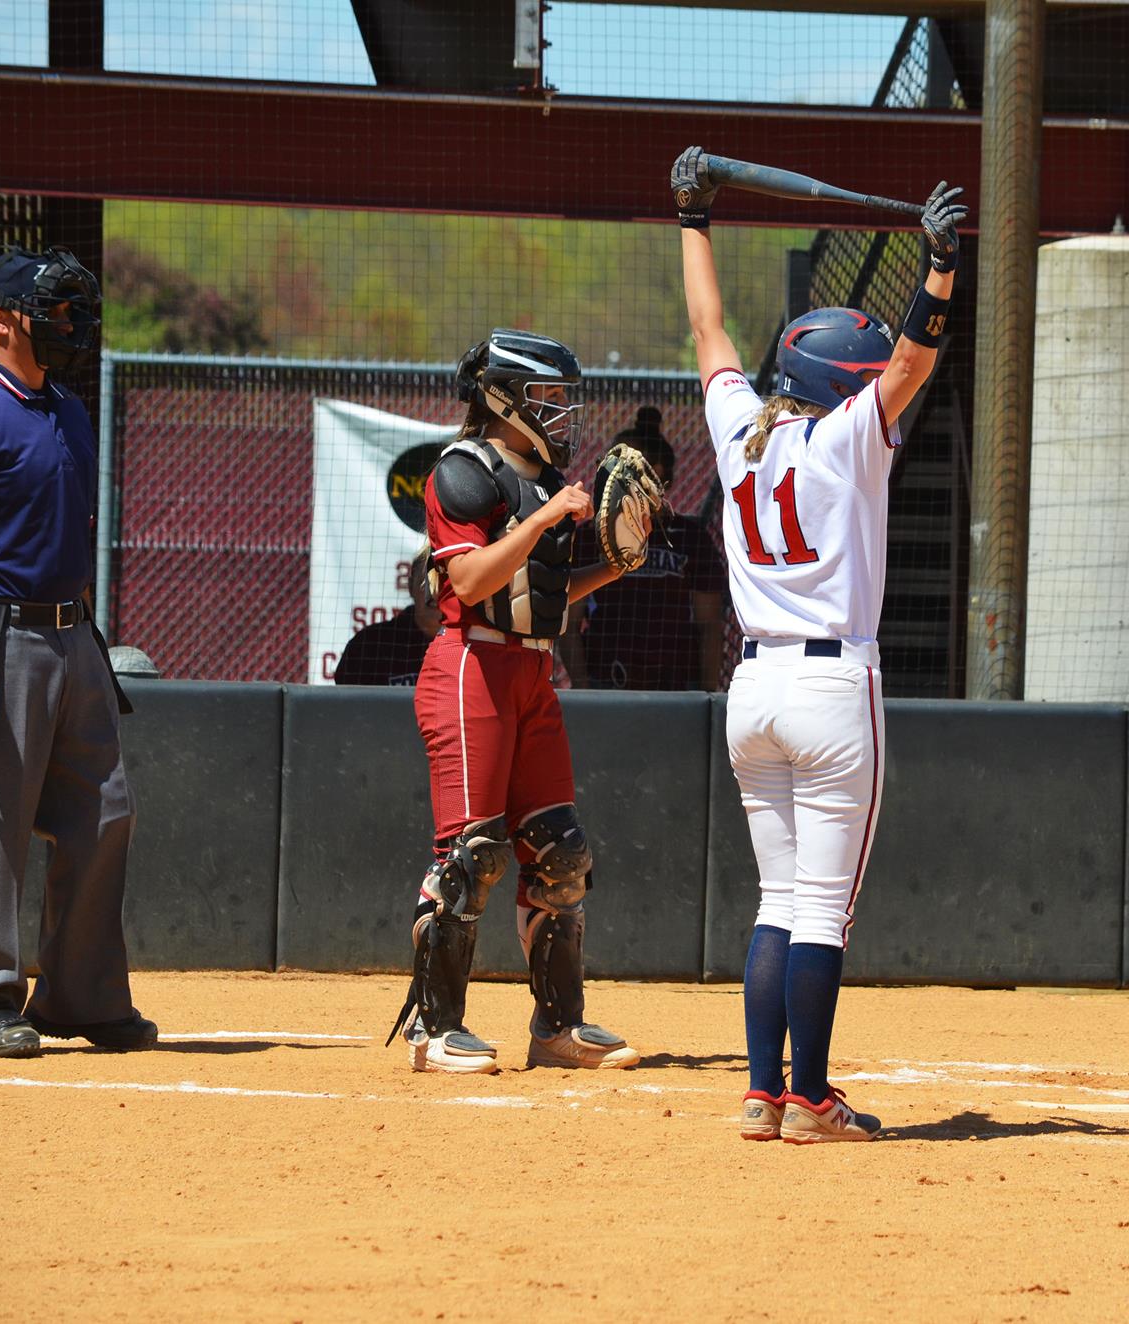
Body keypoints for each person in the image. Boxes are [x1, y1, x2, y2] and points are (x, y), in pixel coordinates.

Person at [673, 146, 965, 1142]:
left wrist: (692, 219)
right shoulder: (847, 438)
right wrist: (939, 266)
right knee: (821, 911)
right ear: (843, 382)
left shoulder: (738, 428)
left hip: (752, 689)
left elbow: (708, 328)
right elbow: (914, 361)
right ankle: (809, 1098)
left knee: (778, 898)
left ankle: (763, 1093)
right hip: (833, 685)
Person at [0, 246, 155, 1057]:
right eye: (53, 309)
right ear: (0, 320)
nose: (69, 323)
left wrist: (83, 635)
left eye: (75, 310)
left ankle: (80, 997)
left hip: (74, 635)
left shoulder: (69, 410)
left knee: (104, 814)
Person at [391, 327, 644, 1075]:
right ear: (503, 399)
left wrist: (617, 564)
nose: (562, 410)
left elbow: (546, 595)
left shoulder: (545, 479)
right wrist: (541, 519)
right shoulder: (464, 470)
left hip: (532, 670)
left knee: (560, 853)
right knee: (472, 854)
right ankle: (434, 1030)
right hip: (471, 665)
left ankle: (558, 1028)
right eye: (548, 396)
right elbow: (469, 583)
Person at [563, 406, 729, 692]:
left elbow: (709, 624)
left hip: (676, 685)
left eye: (629, 468)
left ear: (657, 472)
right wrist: (583, 686)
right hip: (607, 679)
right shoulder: (591, 535)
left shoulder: (690, 538)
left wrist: (707, 692)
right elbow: (569, 622)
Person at [333, 546, 441, 686]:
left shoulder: (467, 643)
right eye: (425, 583)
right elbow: (347, 696)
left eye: (441, 583)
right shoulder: (370, 646)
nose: (433, 592)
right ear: (410, 587)